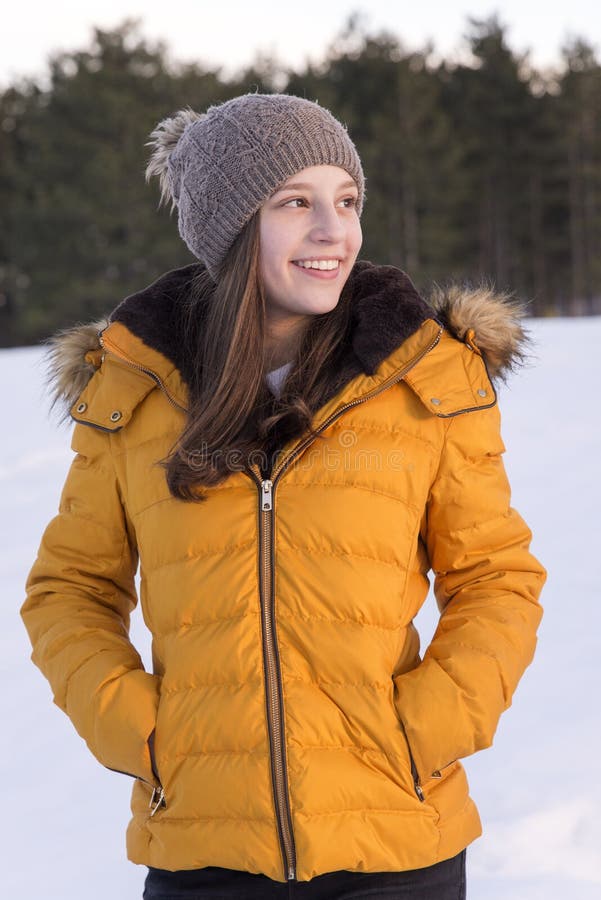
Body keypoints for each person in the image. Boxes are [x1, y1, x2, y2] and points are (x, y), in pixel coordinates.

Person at [21, 92, 547, 900]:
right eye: (295, 203)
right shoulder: (134, 389)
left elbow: (496, 578)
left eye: (346, 200)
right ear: (231, 229)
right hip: (203, 849)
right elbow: (69, 591)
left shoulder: (425, 377)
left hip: (395, 846)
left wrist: (421, 732)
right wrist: (146, 735)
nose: (334, 230)